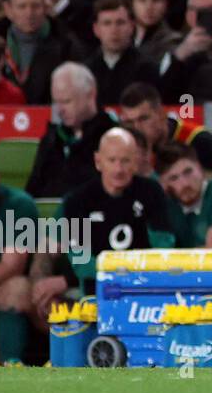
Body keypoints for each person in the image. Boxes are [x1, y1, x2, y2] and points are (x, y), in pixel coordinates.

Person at [32, 128, 172, 315]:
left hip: (144, 287)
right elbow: (81, 262)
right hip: (94, 291)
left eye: (125, 161)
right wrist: (121, 272)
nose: (118, 169)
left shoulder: (152, 193)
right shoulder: (77, 201)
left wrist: (132, 275)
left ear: (136, 163)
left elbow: (163, 248)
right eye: (112, 160)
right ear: (98, 161)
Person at [25, 63, 118, 197]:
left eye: (66, 101)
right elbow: (33, 188)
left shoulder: (112, 136)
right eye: (56, 102)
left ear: (90, 95)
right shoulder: (53, 137)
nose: (60, 110)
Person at [0, 158, 38, 364]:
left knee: (12, 289)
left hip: (21, 284)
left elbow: (11, 267)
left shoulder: (17, 205)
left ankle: (6, 366)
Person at [118, 82, 212, 177]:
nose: (137, 128)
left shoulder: (198, 140)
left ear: (162, 115)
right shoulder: (120, 146)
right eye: (129, 122)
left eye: (143, 119)